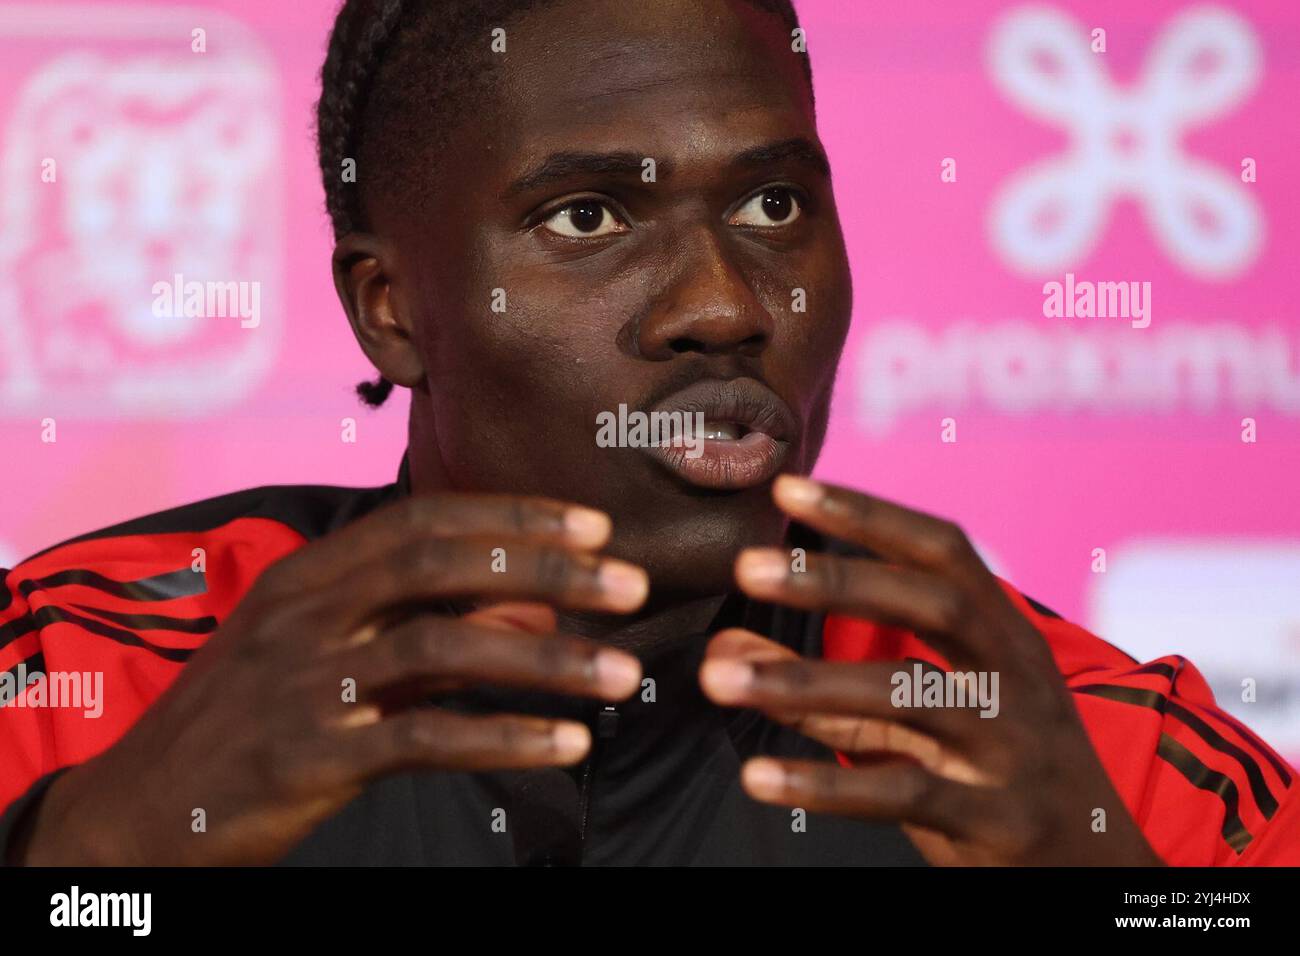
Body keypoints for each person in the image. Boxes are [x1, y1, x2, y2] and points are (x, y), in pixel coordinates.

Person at [2, 0, 1295, 866]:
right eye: (588, 219)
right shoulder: (72, 680)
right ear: (390, 312)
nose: (725, 305)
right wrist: (84, 863)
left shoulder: (1090, 751)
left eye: (775, 201)